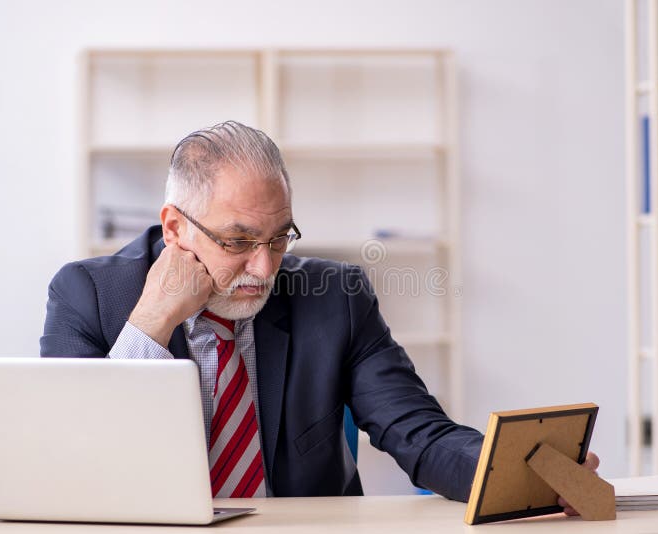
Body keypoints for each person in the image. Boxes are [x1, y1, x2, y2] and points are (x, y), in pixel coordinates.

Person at [41, 121, 597, 506]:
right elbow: (73, 465)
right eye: (238, 241)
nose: (264, 267)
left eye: (279, 237)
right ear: (174, 228)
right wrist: (151, 323)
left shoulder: (335, 297)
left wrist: (522, 470)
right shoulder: (88, 294)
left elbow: (420, 434)